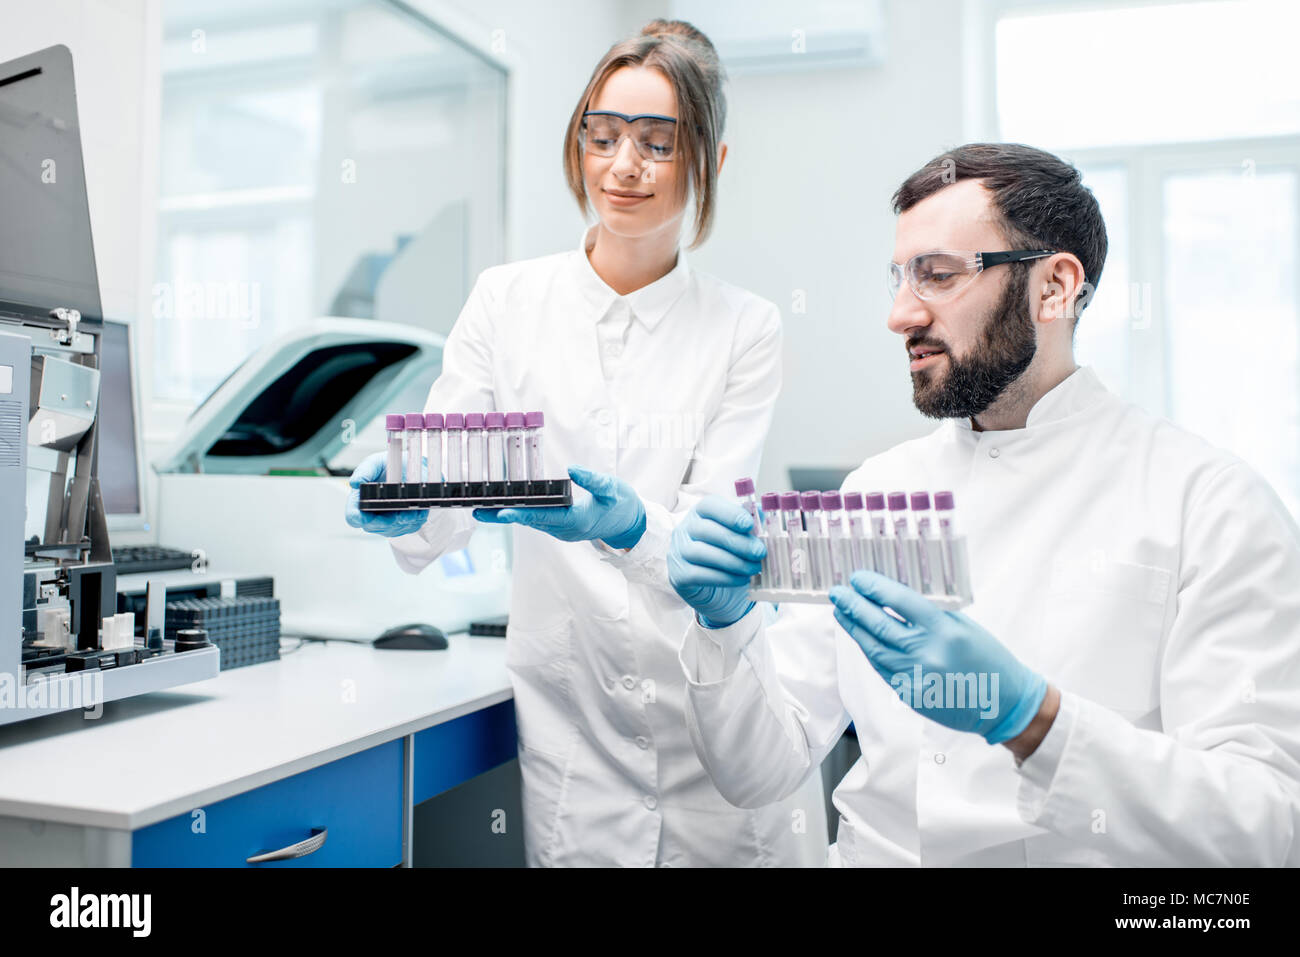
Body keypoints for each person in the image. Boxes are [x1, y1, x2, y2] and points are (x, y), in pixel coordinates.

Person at [666, 143, 1300, 866]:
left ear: (1056, 287)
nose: (900, 314)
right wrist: (724, 625)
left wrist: (1034, 719)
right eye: (899, 278)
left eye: (937, 275)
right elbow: (759, 770)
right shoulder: (874, 493)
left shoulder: (1208, 504)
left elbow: (1265, 827)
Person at [345, 20, 825, 867]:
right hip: (579, 749)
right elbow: (448, 509)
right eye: (601, 137)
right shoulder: (504, 301)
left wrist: (630, 523)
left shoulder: (745, 328)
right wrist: (407, 497)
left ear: (711, 160)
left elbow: (709, 548)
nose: (622, 166)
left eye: (656, 143)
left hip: (707, 741)